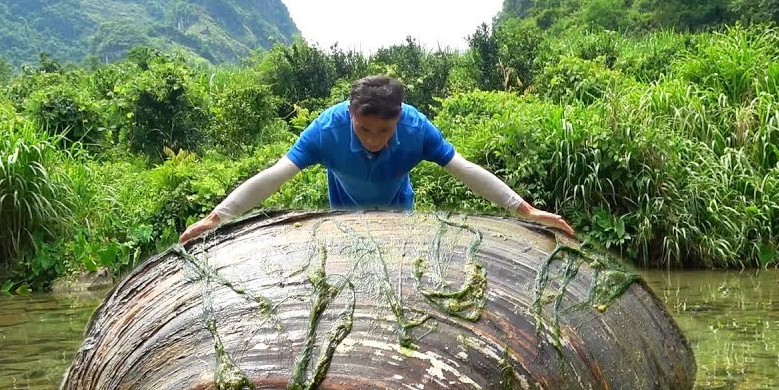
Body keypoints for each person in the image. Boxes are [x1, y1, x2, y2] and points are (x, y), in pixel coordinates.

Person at [177, 75, 575, 244]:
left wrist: (525, 210)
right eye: (365, 130)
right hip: (344, 222)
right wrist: (217, 218)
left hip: (399, 221)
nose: (373, 140)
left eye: (384, 132)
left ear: (398, 119)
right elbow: (277, 175)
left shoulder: (417, 129)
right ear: (351, 114)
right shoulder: (327, 130)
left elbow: (464, 169)